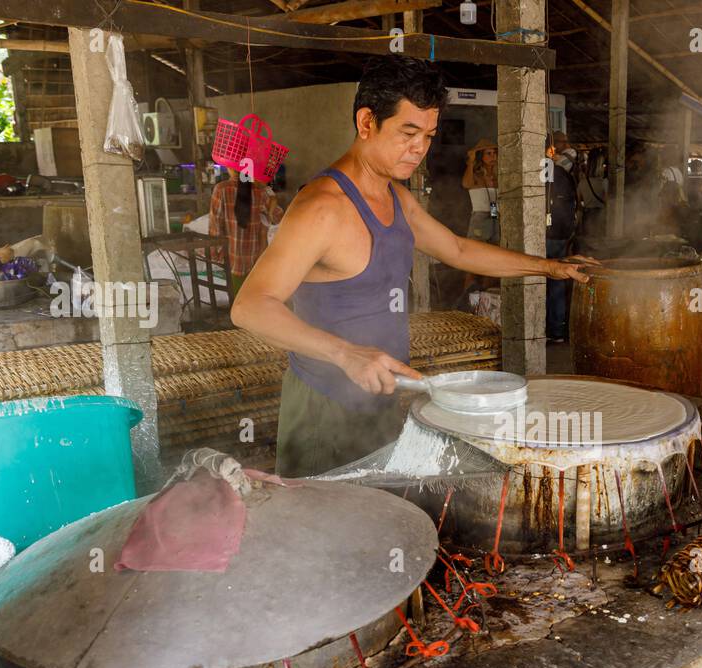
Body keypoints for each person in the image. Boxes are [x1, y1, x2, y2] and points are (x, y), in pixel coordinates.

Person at [232, 56, 596, 477]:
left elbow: (457, 250)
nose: (420, 148)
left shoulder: (397, 198)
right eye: (408, 132)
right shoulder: (322, 208)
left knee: (380, 519)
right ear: (367, 122)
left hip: (384, 392)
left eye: (428, 135)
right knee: (324, 532)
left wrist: (550, 267)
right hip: (324, 406)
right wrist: (346, 354)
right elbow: (250, 305)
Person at [210, 165, 284, 298]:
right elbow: (279, 217)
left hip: (231, 257)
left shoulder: (221, 189)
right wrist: (269, 197)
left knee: (238, 301)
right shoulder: (259, 192)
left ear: (230, 167)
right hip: (255, 258)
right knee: (253, 300)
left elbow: (215, 226)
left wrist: (214, 253)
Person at [546, 134, 579, 343]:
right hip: (563, 231)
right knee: (557, 280)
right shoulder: (562, 171)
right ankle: (556, 330)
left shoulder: (544, 170)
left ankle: (544, 329)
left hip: (547, 233)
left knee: (540, 279)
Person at [461, 138, 499, 243]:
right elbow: (466, 184)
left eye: (494, 153)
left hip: (495, 215)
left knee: (496, 249)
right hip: (480, 217)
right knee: (477, 250)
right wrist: (471, 162)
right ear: (481, 156)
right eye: (489, 153)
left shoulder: (499, 176)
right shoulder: (476, 176)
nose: (493, 156)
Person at [576, 148, 608, 238]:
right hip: (601, 218)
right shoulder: (604, 182)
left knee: (588, 243)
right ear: (600, 165)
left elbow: (578, 205)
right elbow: (608, 202)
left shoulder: (582, 183)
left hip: (587, 218)